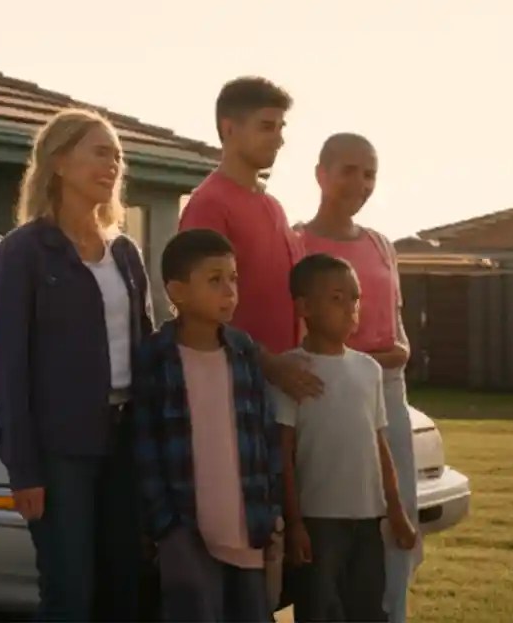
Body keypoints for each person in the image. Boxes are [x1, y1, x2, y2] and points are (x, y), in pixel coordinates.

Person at [0, 107, 154, 621]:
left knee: (126, 583)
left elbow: (145, 347)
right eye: (99, 152)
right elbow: (9, 369)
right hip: (61, 451)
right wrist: (23, 468)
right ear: (59, 162)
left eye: (118, 157)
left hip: (126, 441)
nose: (113, 166)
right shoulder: (23, 253)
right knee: (70, 589)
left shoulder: (126, 253)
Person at [297, 132, 421, 622]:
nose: (360, 183)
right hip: (327, 388)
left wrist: (404, 347)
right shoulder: (297, 239)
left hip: (387, 389)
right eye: (348, 170)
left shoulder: (381, 244)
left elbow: (394, 314)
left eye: (369, 173)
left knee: (398, 514)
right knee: (337, 517)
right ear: (321, 174)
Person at [134, 228, 282, 622]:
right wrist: (165, 525)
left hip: (246, 526)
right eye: (215, 280)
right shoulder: (156, 356)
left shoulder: (244, 351)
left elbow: (266, 438)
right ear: (177, 292)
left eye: (233, 279)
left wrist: (272, 510)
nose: (229, 290)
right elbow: (145, 446)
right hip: (186, 530)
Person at [273, 253, 418, 623]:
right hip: (318, 522)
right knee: (321, 610)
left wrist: (396, 510)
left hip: (368, 520)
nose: (351, 308)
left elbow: (380, 446)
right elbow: (283, 454)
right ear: (304, 306)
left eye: (355, 298)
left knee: (368, 609)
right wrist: (295, 524)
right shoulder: (292, 371)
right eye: (337, 298)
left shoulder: (368, 370)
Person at [178, 76, 323, 405]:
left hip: (288, 386)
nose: (279, 139)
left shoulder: (273, 206)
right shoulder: (209, 205)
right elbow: (198, 308)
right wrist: (270, 365)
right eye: (267, 126)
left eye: (281, 127)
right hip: (236, 386)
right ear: (229, 129)